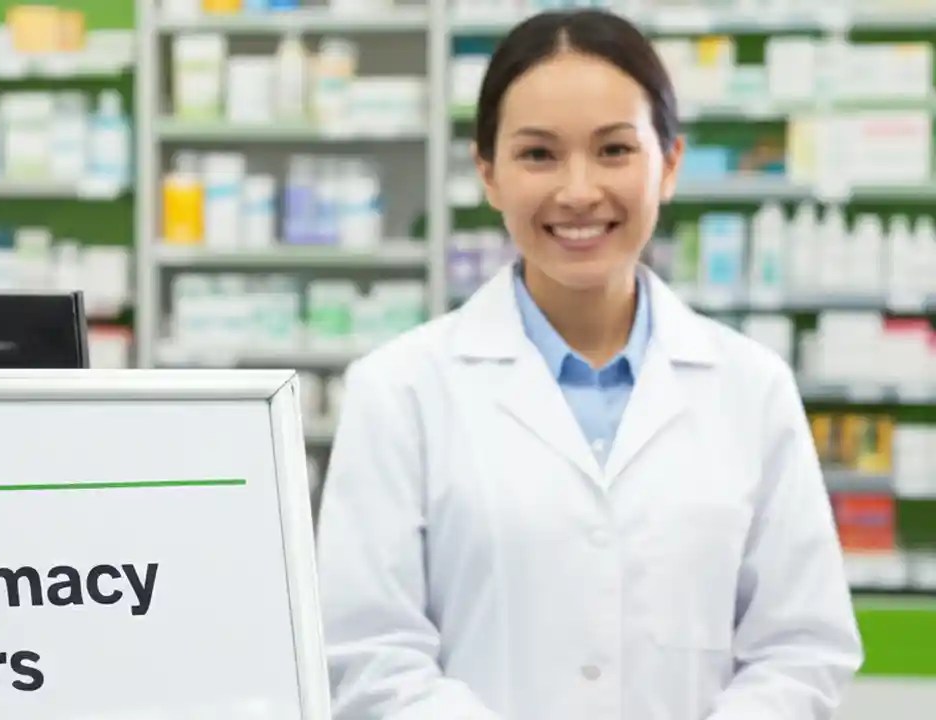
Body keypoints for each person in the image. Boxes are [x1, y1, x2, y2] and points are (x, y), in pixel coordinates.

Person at [316, 9, 863, 720]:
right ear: (488, 173)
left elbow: (801, 648)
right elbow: (368, 653)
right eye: (538, 155)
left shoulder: (751, 388)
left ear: (667, 165)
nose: (578, 191)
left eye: (613, 151)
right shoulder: (398, 390)